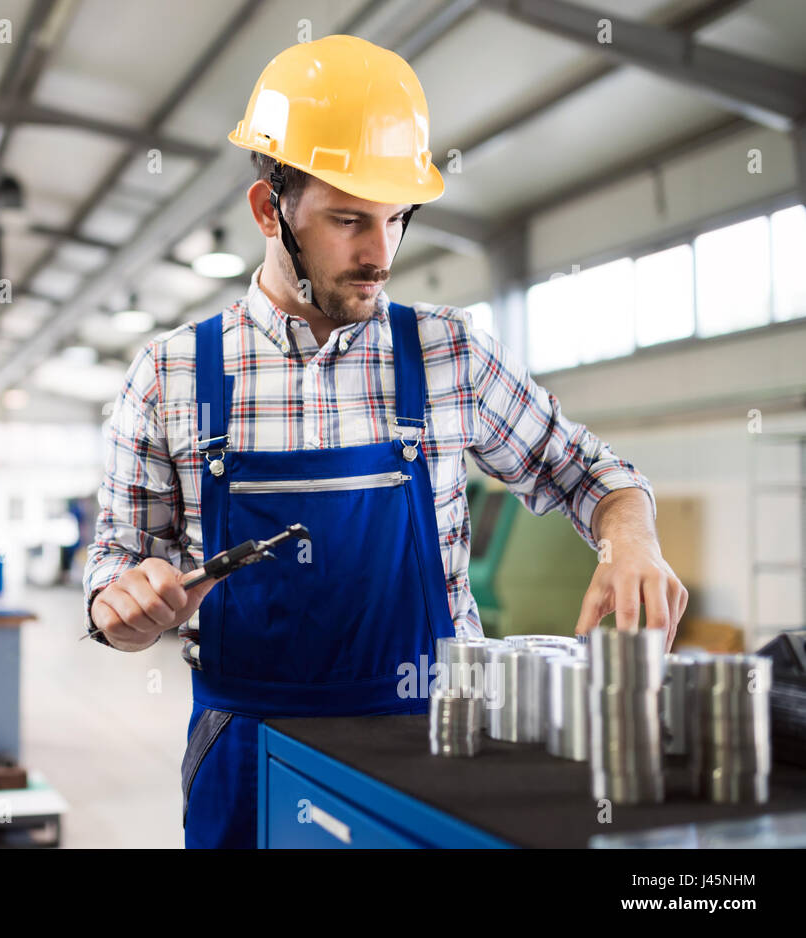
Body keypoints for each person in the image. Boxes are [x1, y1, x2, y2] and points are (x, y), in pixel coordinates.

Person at [82, 35, 689, 849]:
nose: (381, 255)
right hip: (248, 758)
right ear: (271, 210)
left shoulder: (449, 355)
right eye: (348, 220)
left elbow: (590, 474)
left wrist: (631, 538)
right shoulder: (170, 376)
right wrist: (123, 608)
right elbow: (116, 565)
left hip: (435, 747)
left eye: (398, 218)